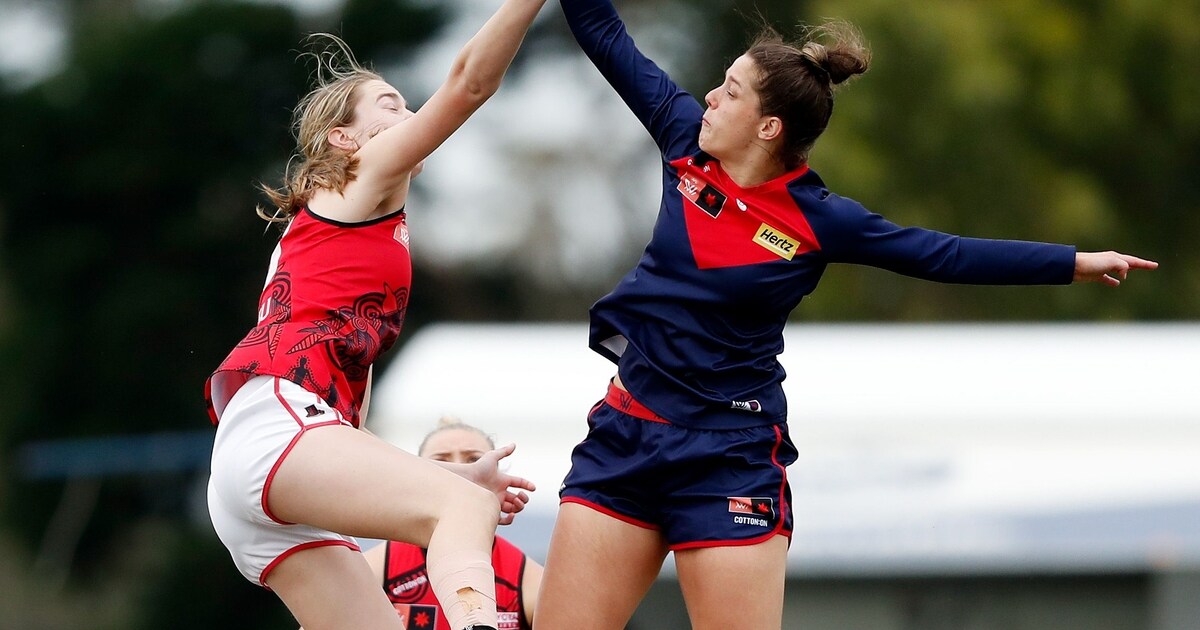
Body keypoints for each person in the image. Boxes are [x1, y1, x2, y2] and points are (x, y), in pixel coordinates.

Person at [536, 1, 1159, 629]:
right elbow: (604, 33)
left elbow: (943, 255)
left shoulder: (821, 219)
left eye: (729, 91)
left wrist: (1072, 260)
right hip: (628, 436)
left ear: (768, 127)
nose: (710, 99)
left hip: (729, 456)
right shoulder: (683, 140)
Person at [203, 2, 546, 628]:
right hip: (276, 425)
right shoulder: (359, 177)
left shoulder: (344, 218)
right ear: (345, 138)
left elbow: (338, 436)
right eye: (390, 104)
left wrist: (441, 476)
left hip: (268, 456)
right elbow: (469, 83)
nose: (411, 115)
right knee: (461, 510)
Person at [359, 418, 543, 630]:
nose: (459, 470)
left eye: (474, 460)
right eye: (442, 461)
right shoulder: (378, 566)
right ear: (413, 478)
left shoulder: (525, 578)